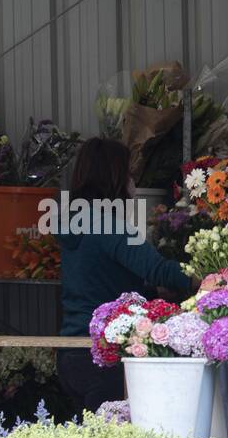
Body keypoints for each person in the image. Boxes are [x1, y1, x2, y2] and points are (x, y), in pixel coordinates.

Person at [56, 137, 193, 412]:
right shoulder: (109, 224)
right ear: (115, 176)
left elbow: (101, 280)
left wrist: (150, 293)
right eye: (129, 173)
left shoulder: (75, 220)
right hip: (104, 358)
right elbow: (159, 270)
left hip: (72, 353)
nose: (132, 180)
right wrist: (208, 279)